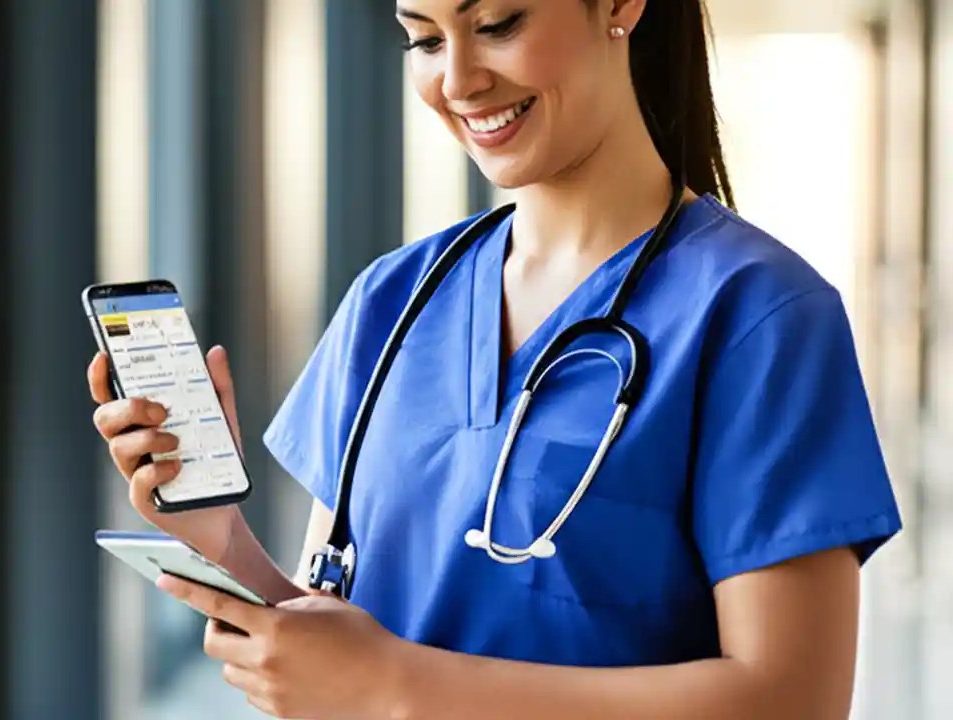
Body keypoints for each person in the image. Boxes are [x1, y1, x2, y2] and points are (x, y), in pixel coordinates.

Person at [88, 0, 902, 717]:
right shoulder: (393, 299)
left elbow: (789, 700)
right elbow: (337, 651)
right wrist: (221, 538)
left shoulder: (759, 315)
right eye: (425, 40)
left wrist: (398, 689)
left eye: (497, 25)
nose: (459, 81)